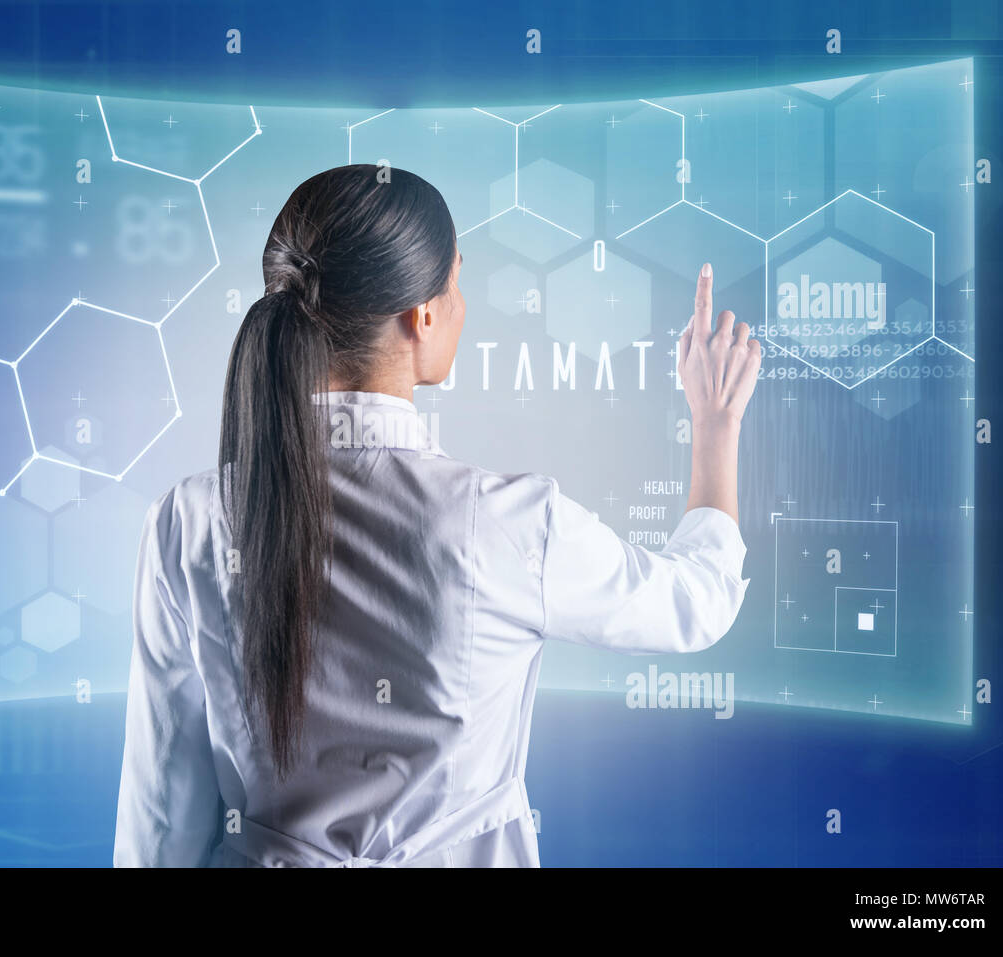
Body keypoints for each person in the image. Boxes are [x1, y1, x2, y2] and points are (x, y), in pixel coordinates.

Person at [113, 164, 762, 867]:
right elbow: (696, 601)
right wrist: (716, 422)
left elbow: (160, 816)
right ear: (421, 315)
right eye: (457, 280)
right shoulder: (508, 524)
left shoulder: (187, 522)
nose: (461, 302)